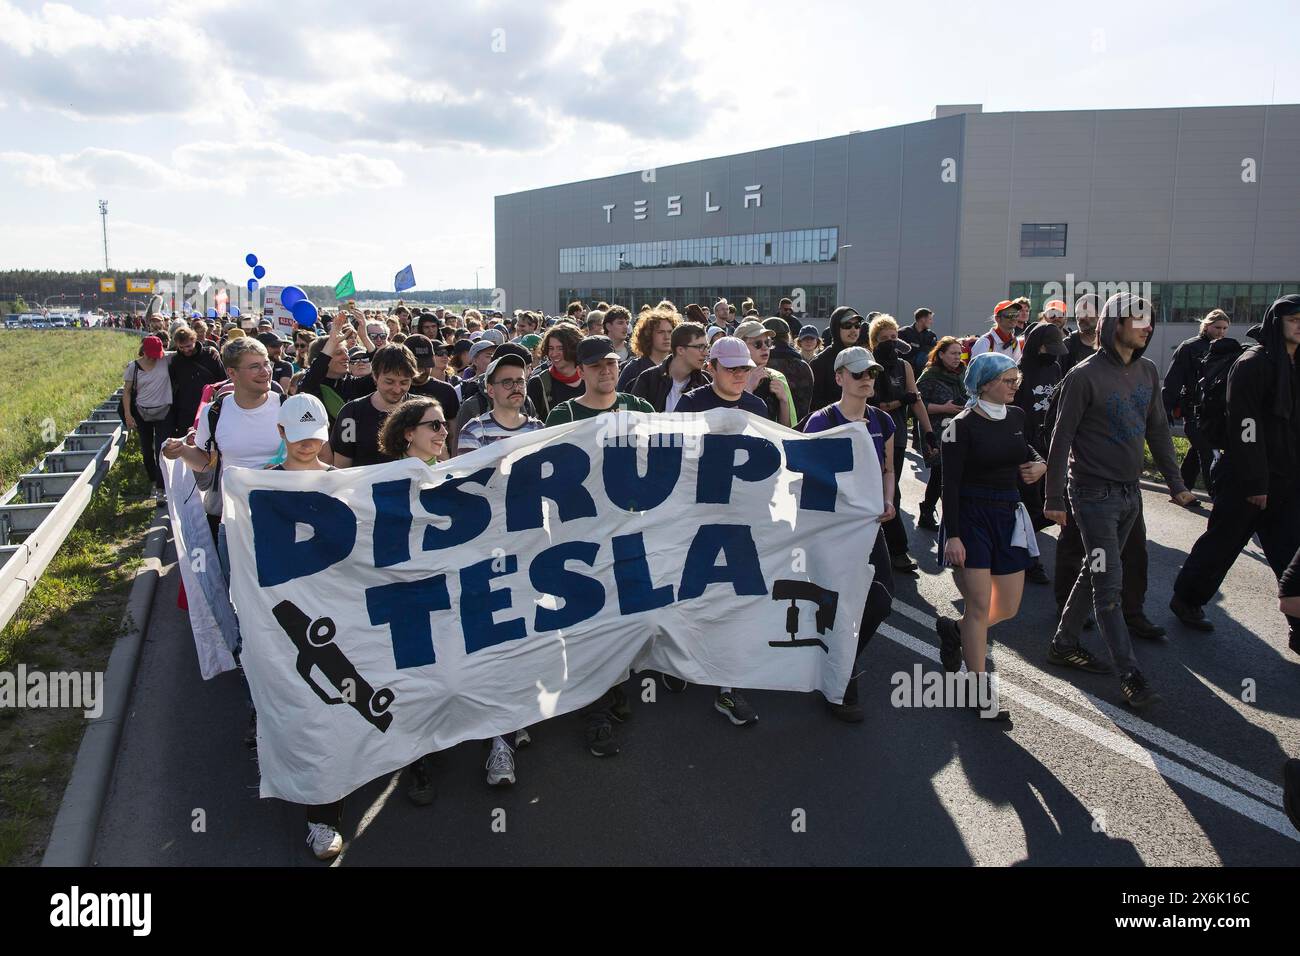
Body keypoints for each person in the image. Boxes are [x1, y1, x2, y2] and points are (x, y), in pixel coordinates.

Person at [1043, 293, 1195, 708]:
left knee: (1095, 573)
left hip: (1131, 493)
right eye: (1139, 320)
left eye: (1150, 321)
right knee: (1109, 585)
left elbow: (1160, 431)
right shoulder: (1083, 375)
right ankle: (1130, 674)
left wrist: (1177, 483)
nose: (1148, 328)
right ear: (1115, 325)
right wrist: (1054, 496)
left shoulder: (1147, 371)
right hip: (1091, 494)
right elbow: (1060, 441)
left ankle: (1063, 643)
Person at [1171, 296, 1300, 644]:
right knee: (1221, 546)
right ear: (1277, 322)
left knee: (1291, 555)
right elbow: (1245, 428)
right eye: (1294, 319)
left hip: (1287, 480)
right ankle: (1186, 599)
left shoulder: (1296, 362)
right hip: (1247, 478)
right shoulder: (1253, 364)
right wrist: (1257, 482)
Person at [935, 353, 1046, 726]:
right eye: (1008, 380)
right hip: (971, 519)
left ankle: (956, 630)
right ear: (984, 384)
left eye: (1017, 379)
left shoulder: (1016, 417)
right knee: (980, 608)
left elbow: (1025, 449)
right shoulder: (959, 425)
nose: (1016, 386)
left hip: (1008, 515)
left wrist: (1040, 463)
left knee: (1009, 607)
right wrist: (953, 536)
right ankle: (978, 689)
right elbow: (949, 485)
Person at [798, 347, 895, 722]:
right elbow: (806, 477)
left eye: (871, 372)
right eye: (858, 374)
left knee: (880, 602)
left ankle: (841, 662)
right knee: (833, 603)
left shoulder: (883, 422)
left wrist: (888, 500)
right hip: (832, 531)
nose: (867, 379)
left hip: (870, 528)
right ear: (839, 378)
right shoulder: (821, 422)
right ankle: (838, 678)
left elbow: (888, 469)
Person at [676, 335, 766, 727]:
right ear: (710, 367)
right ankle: (679, 660)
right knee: (692, 591)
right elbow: (673, 457)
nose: (740, 375)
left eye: (745, 368)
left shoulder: (757, 405)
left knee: (737, 594)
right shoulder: (692, 404)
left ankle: (727, 687)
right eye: (731, 368)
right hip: (696, 513)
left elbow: (772, 455)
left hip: (743, 515)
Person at [867, 315, 935, 572]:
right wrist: (899, 402)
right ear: (874, 342)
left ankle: (896, 550)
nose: (890, 343)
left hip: (896, 437)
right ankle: (885, 547)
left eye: (894, 338)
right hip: (871, 432)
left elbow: (915, 399)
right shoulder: (869, 364)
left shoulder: (904, 365)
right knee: (876, 489)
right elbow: (878, 404)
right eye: (884, 339)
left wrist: (928, 432)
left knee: (891, 488)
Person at [1013, 321, 1069, 585]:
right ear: (1037, 346)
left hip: (1051, 446)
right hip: (1026, 447)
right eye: (1049, 348)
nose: (1054, 354)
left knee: (1052, 507)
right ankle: (1029, 560)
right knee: (1031, 505)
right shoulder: (1018, 371)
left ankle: (1015, 544)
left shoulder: (1056, 368)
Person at [1162, 309, 1230, 494]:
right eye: (1217, 327)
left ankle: (1181, 489)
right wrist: (1164, 409)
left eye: (1225, 328)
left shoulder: (1227, 349)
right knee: (1208, 453)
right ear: (1207, 326)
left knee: (1198, 450)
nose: (1221, 332)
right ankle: (1217, 498)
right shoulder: (1189, 347)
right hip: (1193, 412)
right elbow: (1173, 380)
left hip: (1215, 413)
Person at [329, 344, 417, 468]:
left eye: (404, 382)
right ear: (375, 376)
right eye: (389, 382)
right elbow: (342, 468)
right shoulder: (351, 414)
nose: (397, 390)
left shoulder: (423, 411)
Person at [916, 336, 967, 531]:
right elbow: (917, 405)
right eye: (952, 353)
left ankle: (947, 514)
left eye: (958, 353)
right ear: (941, 354)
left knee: (951, 472)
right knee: (940, 471)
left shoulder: (961, 373)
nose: (957, 357)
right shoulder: (929, 376)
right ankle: (927, 512)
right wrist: (942, 407)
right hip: (935, 429)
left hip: (956, 428)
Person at [122, 335, 176, 502]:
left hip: (164, 411)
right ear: (144, 351)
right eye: (151, 354)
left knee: (161, 449)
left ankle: (161, 488)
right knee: (147, 451)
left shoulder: (165, 359)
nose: (154, 357)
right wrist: (128, 414)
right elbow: (127, 391)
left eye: (157, 354)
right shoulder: (133, 367)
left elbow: (185, 349)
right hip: (142, 413)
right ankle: (154, 480)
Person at [457, 351, 545, 452]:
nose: (516, 388)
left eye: (520, 381)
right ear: (491, 390)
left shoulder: (538, 429)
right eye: (507, 382)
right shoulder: (474, 431)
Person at [630, 322, 711, 412]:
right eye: (700, 347)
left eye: (706, 347)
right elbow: (632, 417)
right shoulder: (648, 379)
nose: (706, 353)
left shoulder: (705, 381)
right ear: (680, 350)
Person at [734, 319, 795, 426]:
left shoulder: (776, 377)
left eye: (768, 342)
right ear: (740, 346)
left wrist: (784, 402)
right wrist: (748, 390)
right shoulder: (729, 377)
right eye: (757, 344)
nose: (765, 347)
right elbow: (730, 423)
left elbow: (786, 430)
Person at [168, 325, 225, 434]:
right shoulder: (176, 361)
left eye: (188, 346)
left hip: (210, 406)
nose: (185, 350)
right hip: (185, 409)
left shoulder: (210, 355)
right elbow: (173, 386)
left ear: (194, 340)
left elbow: (223, 379)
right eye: (181, 347)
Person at [527, 322, 585, 420]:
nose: (554, 354)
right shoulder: (538, 383)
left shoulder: (591, 378)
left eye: (560, 348)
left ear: (574, 349)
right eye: (551, 348)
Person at [809, 307, 863, 410]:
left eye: (857, 325)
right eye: (847, 325)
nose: (853, 330)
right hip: (832, 423)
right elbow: (815, 403)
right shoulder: (820, 362)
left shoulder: (864, 357)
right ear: (835, 327)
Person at [762, 317, 814, 421]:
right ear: (788, 337)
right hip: (800, 428)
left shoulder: (760, 366)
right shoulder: (804, 366)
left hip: (767, 429)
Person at [616, 305, 678, 391]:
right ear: (648, 335)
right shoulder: (633, 369)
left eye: (670, 332)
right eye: (660, 332)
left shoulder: (679, 367)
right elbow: (622, 402)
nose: (667, 337)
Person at [1060, 294, 1100, 373]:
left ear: (1100, 314)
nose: (1080, 317)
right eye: (1078, 313)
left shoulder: (1111, 345)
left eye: (1086, 312)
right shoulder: (1067, 346)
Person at [899, 308, 937, 379]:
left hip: (923, 375)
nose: (931, 322)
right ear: (922, 319)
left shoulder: (931, 336)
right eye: (930, 319)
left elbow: (934, 355)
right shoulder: (903, 333)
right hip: (904, 372)